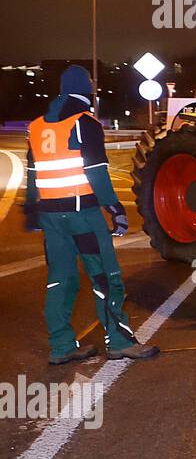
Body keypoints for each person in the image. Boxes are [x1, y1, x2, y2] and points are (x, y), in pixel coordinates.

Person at [25, 65, 158, 363]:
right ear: (87, 91)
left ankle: (61, 346)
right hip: (82, 214)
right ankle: (119, 341)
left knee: (60, 279)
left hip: (50, 217)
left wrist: (32, 214)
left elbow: (33, 174)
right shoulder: (84, 123)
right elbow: (96, 172)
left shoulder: (36, 126)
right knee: (105, 277)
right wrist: (115, 209)